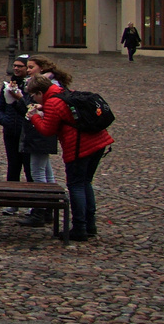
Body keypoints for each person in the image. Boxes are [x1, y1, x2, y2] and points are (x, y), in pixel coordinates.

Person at [26, 62, 114, 241]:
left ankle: (79, 228)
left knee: (75, 185)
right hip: (98, 141)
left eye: (34, 96)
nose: (34, 100)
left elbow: (47, 130)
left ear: (40, 93)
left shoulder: (52, 103)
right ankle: (90, 224)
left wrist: (34, 116)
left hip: (79, 147)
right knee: (86, 182)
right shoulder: (63, 94)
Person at [16, 57, 62, 226]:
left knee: (38, 173)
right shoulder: (51, 89)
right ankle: (49, 208)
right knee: (46, 171)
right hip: (40, 137)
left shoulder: (48, 93)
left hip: (39, 137)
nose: (28, 70)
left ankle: (40, 211)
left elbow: (37, 116)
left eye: (31, 67)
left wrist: (25, 103)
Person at [0, 55, 33, 209]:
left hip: (27, 132)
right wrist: (5, 120)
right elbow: (0, 108)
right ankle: (12, 201)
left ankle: (33, 203)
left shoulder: (31, 86)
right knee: (13, 166)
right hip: (11, 130)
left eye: (20, 66)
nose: (16, 68)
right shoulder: (9, 85)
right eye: (15, 66)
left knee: (30, 167)